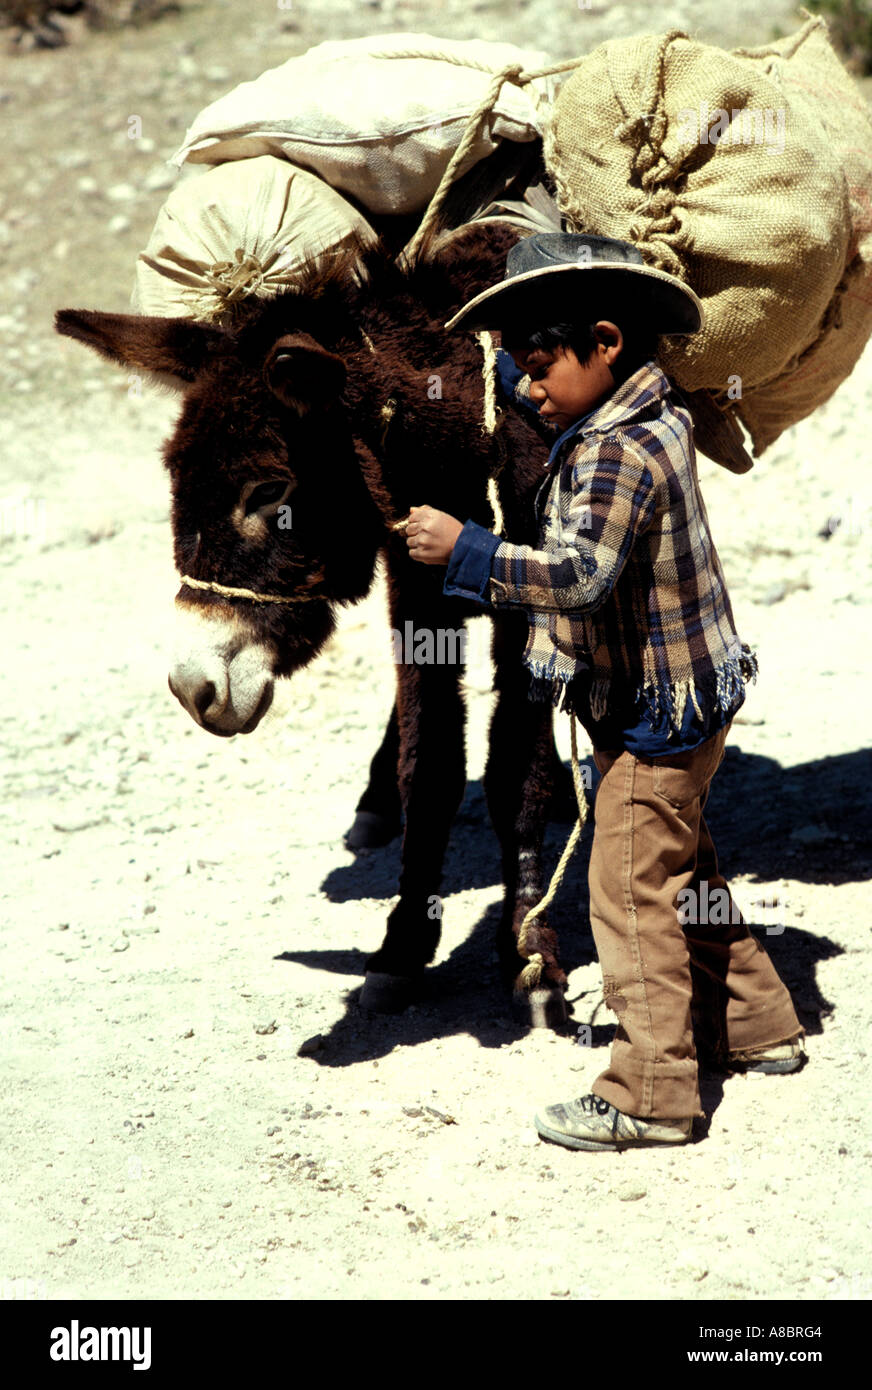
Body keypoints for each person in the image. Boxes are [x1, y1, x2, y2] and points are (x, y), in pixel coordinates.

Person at [403, 232, 804, 1151]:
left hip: (656, 708)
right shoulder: (648, 408)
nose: (529, 391)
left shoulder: (616, 454)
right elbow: (551, 394)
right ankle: (756, 1024)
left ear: (607, 340)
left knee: (624, 893)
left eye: (539, 366)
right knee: (682, 868)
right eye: (517, 372)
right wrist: (515, 377)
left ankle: (652, 1093)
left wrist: (467, 550)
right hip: (690, 697)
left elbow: (581, 575)